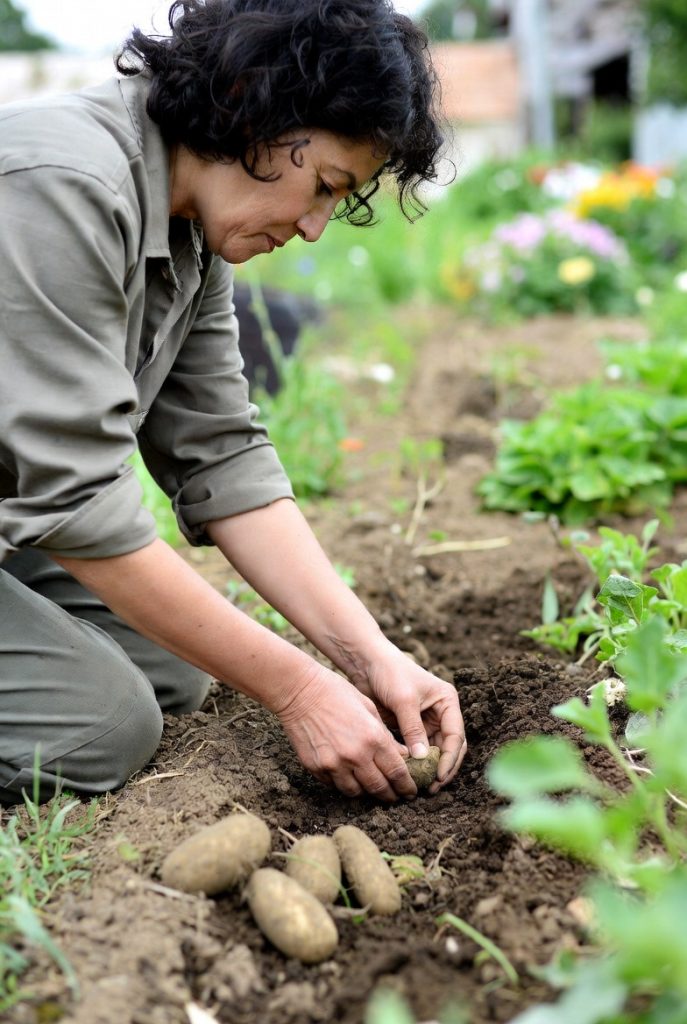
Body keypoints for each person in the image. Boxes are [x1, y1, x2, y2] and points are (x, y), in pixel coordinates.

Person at [0, 0, 466, 805]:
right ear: (251, 103)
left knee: (170, 665)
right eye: (321, 184)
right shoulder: (62, 187)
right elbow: (75, 502)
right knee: (100, 723)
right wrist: (296, 689)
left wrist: (368, 656)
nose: (316, 227)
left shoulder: (192, 230)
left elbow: (220, 450)